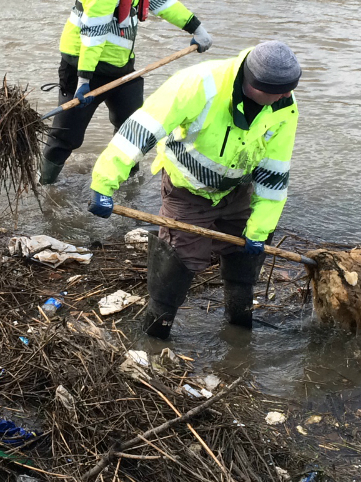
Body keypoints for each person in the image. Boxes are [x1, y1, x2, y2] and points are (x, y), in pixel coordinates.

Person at [87, 41, 301, 337]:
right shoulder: (199, 84)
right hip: (186, 189)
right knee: (177, 265)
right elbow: (140, 131)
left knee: (245, 259)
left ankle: (239, 324)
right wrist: (104, 183)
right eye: (280, 91)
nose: (288, 96)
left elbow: (275, 173)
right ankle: (154, 333)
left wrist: (260, 229)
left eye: (290, 89)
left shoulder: (284, 106)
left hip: (238, 191)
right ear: (254, 84)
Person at [39, 0, 213, 185]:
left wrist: (196, 28)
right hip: (83, 66)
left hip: (121, 68)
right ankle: (45, 184)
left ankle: (127, 184)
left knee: (133, 130)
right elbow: (93, 32)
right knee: (67, 135)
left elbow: (164, 2)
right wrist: (84, 80)